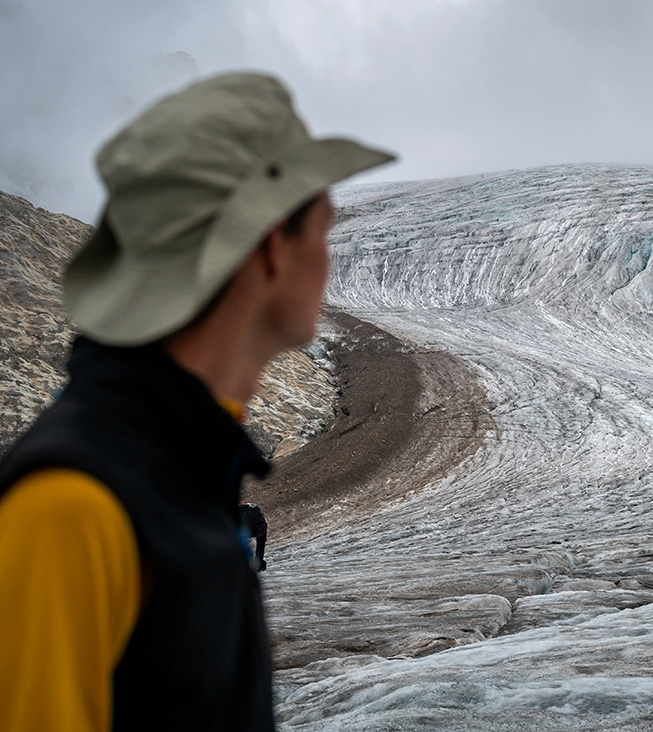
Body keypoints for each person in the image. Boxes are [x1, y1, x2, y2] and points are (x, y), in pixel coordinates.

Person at [0, 73, 393, 732]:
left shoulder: (175, 474)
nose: (330, 263)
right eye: (324, 232)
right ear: (271, 247)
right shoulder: (72, 507)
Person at [239, 502, 269, 571]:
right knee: (261, 539)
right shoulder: (253, 506)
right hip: (260, 527)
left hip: (247, 528)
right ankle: (259, 563)